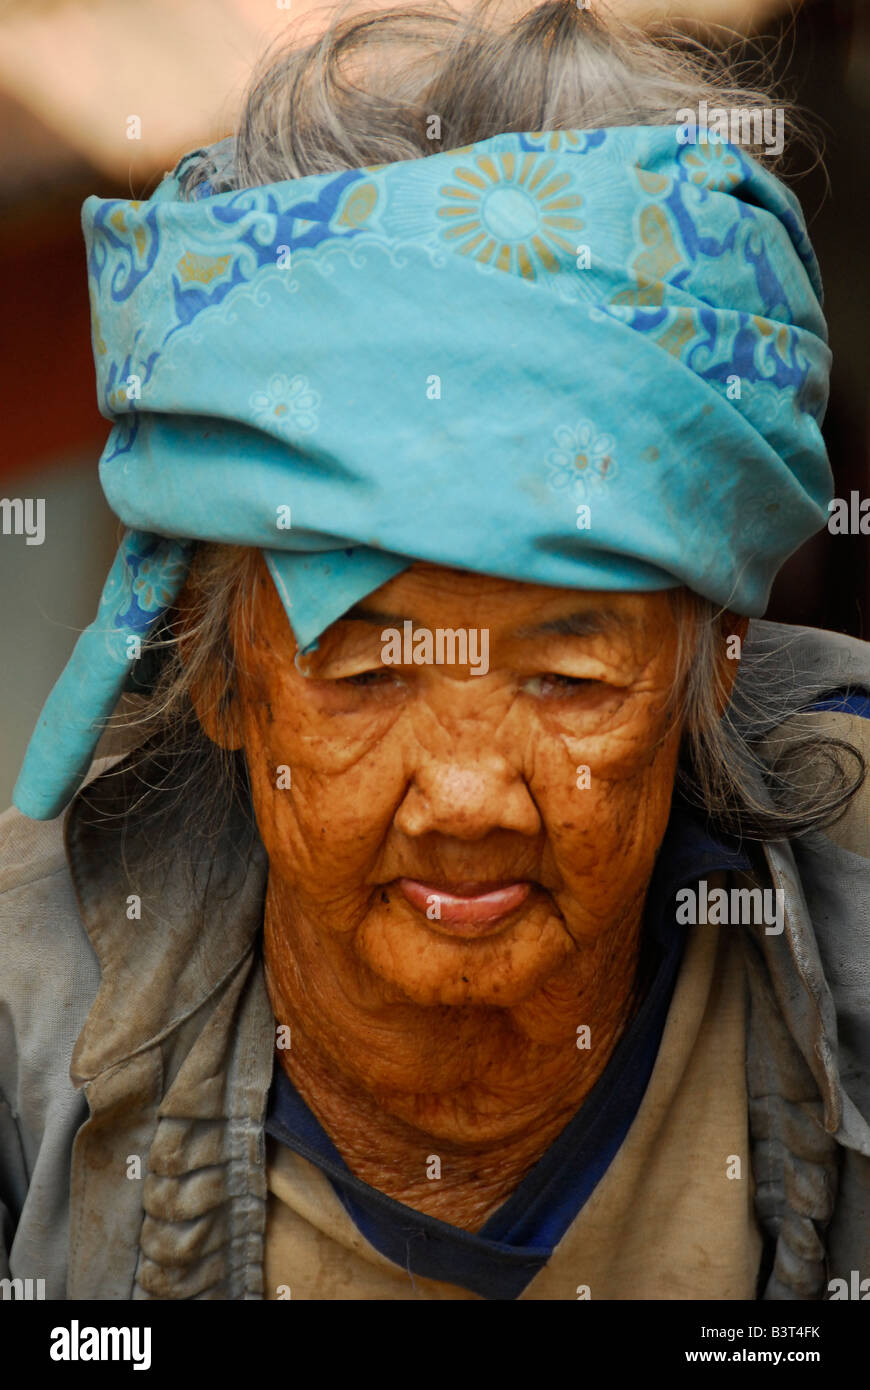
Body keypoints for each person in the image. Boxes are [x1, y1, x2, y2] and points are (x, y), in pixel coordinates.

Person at [1, 0, 868, 1302]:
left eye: (569, 676)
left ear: (716, 657)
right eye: (366, 671)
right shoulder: (23, 1029)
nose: (466, 791)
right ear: (222, 668)